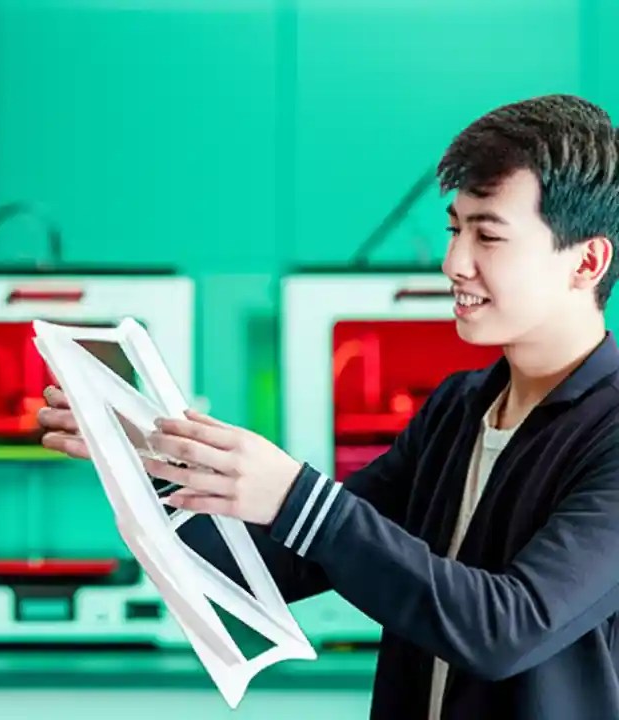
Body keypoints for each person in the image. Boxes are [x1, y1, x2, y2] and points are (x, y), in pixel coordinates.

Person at [37, 94, 619, 720]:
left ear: (586, 261)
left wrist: (295, 496)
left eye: (489, 236)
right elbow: (275, 568)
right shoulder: (456, 410)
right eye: (455, 229)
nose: (455, 263)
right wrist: (147, 456)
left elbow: (506, 628)